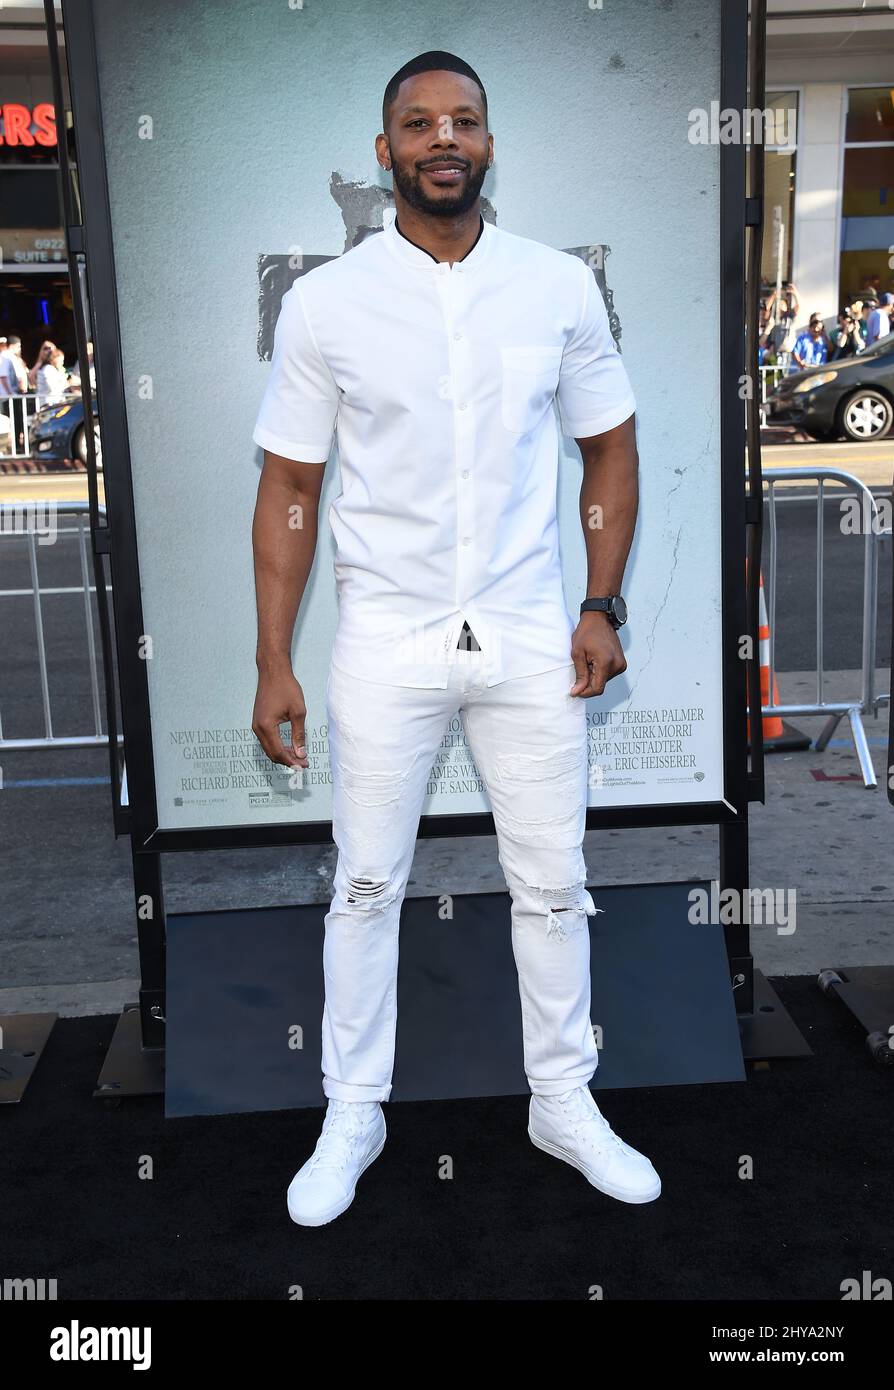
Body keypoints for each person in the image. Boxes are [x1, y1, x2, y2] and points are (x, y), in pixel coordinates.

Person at [251, 50, 660, 1227]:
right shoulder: (328, 302)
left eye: (465, 121)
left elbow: (612, 448)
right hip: (385, 635)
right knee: (368, 884)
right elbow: (288, 485)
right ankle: (354, 1108)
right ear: (384, 152)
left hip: (533, 630)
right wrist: (275, 656)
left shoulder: (555, 287)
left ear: (489, 144)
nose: (444, 139)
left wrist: (601, 602)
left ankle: (563, 1100)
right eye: (418, 123)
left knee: (552, 882)